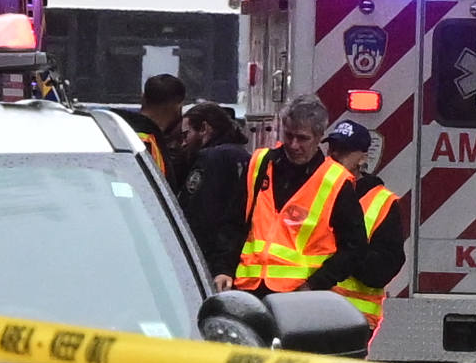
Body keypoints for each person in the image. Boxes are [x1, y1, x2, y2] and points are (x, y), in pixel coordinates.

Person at [226, 96, 408, 299]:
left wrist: (314, 285)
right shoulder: (260, 164)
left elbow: (355, 248)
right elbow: (233, 225)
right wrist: (223, 268)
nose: (294, 145)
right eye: (289, 135)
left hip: (303, 300)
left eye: (303, 138)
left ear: (319, 136)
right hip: (249, 289)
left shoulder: (336, 182)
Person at [167, 98, 254, 281]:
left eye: (186, 134)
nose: (183, 143)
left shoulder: (211, 159)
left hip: (209, 263)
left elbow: (198, 216)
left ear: (205, 129)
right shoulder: (242, 155)